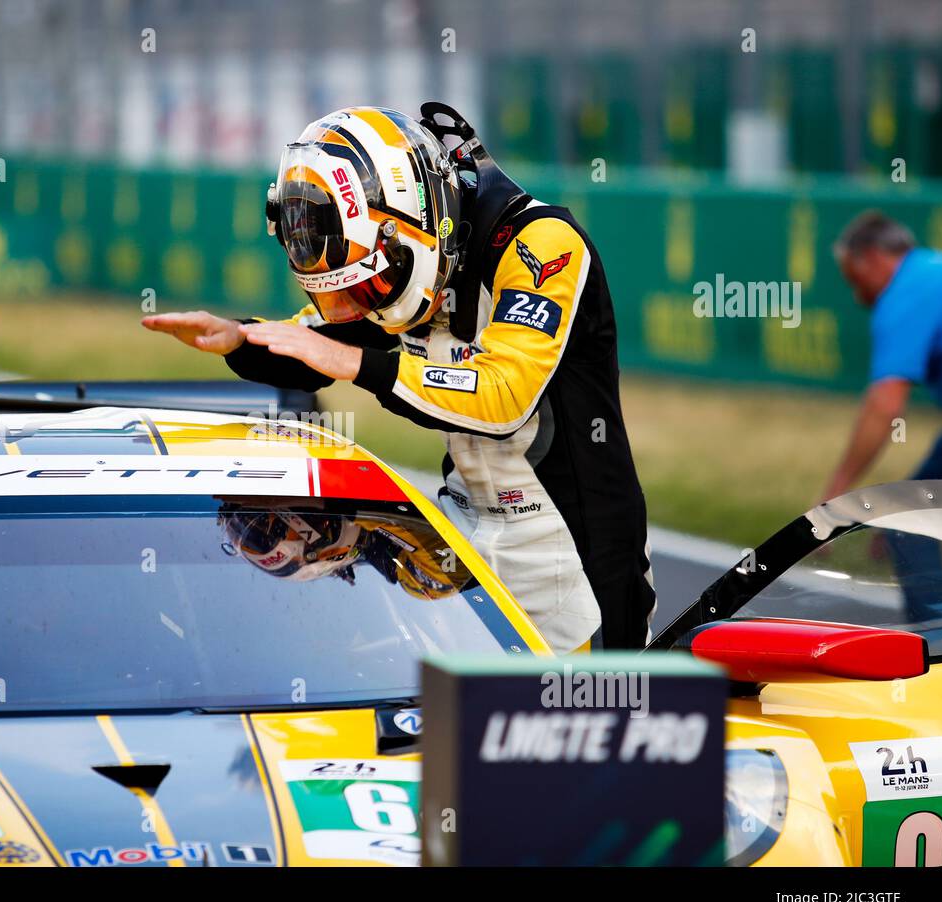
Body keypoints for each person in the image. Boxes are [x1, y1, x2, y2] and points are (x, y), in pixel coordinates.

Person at [145, 103, 653, 652]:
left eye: (364, 286)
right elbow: (317, 338)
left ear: (410, 222)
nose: (359, 307)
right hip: (464, 544)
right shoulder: (417, 253)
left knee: (585, 731)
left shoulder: (543, 244)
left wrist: (363, 367)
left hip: (573, 565)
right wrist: (241, 339)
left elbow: (505, 397)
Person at [822, 211, 942, 623]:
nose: (859, 298)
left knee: (909, 519)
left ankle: (937, 650)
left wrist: (838, 496)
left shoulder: (907, 292)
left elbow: (885, 404)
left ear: (873, 258)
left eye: (855, 281)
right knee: (906, 518)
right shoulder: (936, 271)